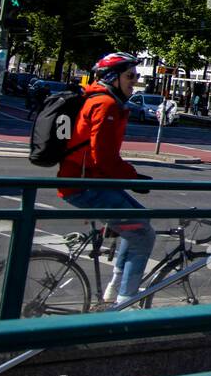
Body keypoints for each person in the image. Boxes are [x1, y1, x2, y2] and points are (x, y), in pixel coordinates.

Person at [58, 53, 154, 304]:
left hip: (87, 180)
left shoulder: (99, 99)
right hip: (84, 184)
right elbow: (103, 158)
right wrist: (133, 178)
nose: (135, 81)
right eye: (130, 76)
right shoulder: (106, 105)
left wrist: (130, 177)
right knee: (143, 234)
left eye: (136, 76)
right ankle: (125, 301)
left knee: (138, 222)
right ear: (113, 78)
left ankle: (115, 289)